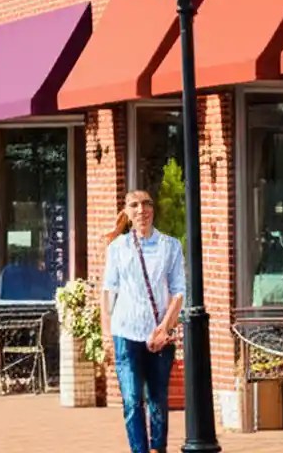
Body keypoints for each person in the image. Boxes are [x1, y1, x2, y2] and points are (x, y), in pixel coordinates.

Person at [101, 190, 187, 453]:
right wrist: (107, 334)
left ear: (153, 209)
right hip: (125, 332)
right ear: (127, 213)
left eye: (147, 203)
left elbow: (179, 291)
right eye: (134, 205)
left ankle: (157, 448)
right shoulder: (117, 248)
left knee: (158, 399)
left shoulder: (170, 246)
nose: (141, 210)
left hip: (159, 336)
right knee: (131, 399)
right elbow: (108, 291)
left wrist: (164, 329)